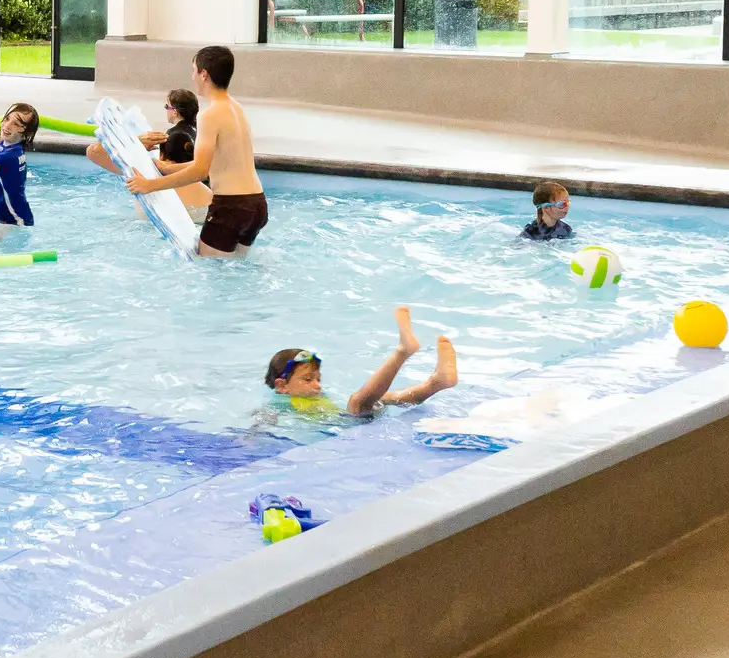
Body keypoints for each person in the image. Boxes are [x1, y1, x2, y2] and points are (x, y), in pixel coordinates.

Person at [127, 47, 264, 257]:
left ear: (204, 74)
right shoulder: (237, 109)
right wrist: (166, 168)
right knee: (236, 267)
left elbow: (200, 171)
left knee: (208, 271)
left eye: (193, 70)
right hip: (256, 205)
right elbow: (218, 163)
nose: (192, 77)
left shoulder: (209, 115)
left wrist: (150, 185)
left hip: (231, 208)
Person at [265, 307, 458, 418]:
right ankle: (402, 352)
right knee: (357, 401)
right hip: (347, 424)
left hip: (351, 418)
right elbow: (264, 420)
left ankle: (436, 383)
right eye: (308, 380)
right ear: (282, 385)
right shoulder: (279, 405)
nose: (317, 385)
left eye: (318, 378)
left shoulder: (308, 398)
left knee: (390, 397)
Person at [84, 88, 212, 214]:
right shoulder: (208, 189)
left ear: (162, 154)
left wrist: (136, 143)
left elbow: (94, 151)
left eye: (166, 107)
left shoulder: (145, 180)